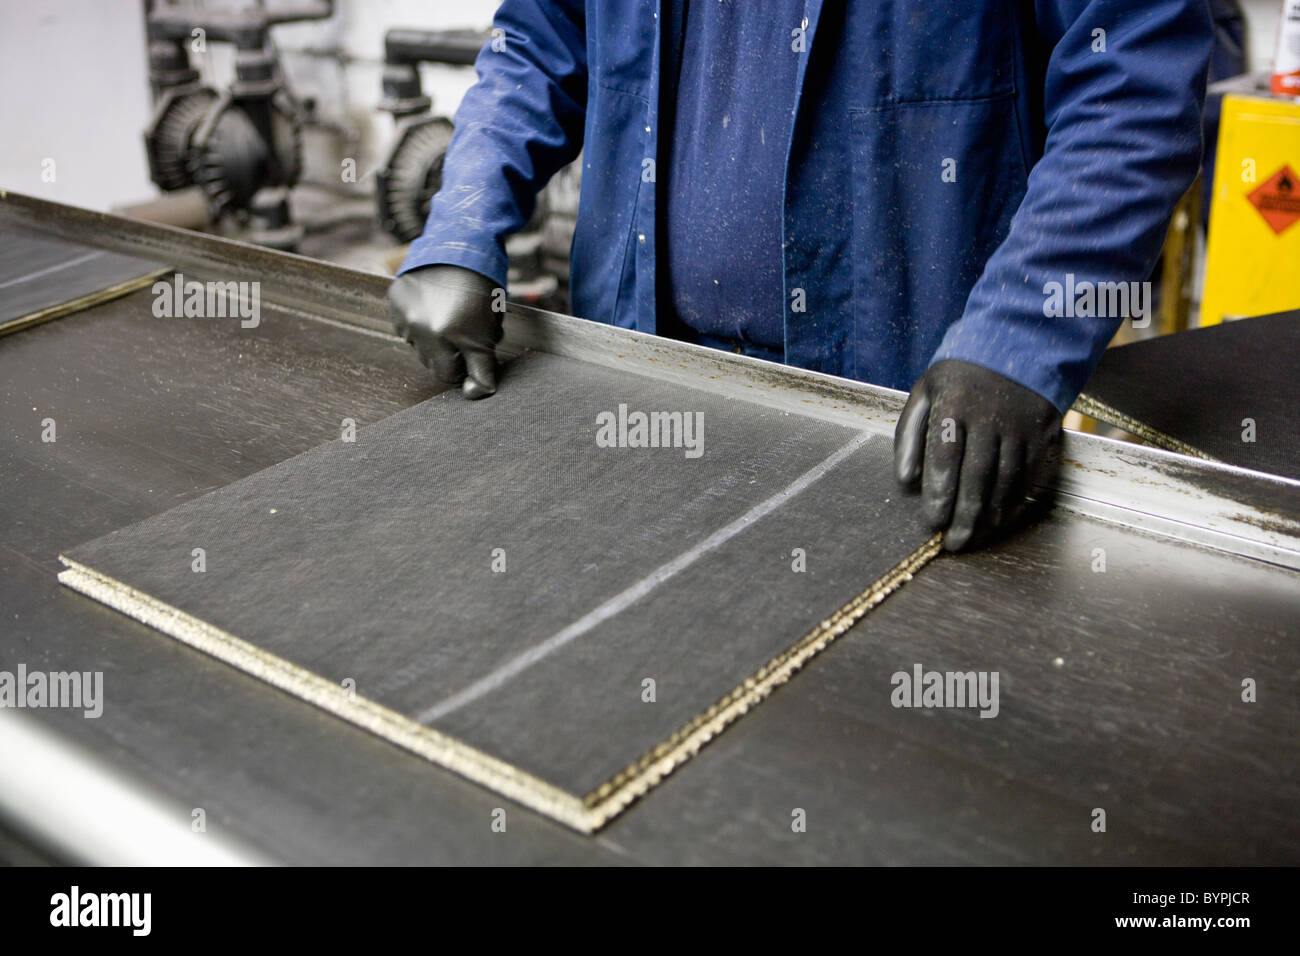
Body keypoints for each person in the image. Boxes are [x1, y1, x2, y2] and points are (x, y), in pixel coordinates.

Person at [389, 1, 1212, 551]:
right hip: (638, 386)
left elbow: (1129, 87)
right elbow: (542, 35)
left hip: (913, 424)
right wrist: (461, 227)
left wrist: (1022, 337)